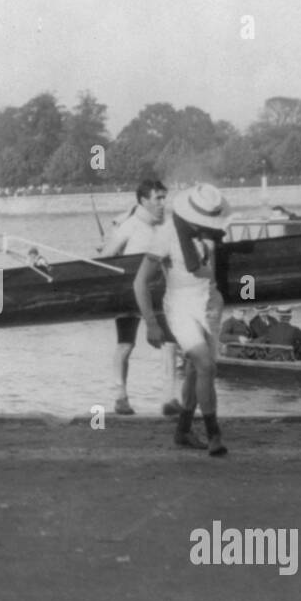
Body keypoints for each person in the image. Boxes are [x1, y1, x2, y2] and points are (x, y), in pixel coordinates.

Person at [134, 182, 231, 456]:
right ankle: (214, 434)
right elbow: (140, 283)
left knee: (195, 370)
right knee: (205, 365)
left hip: (210, 304)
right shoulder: (165, 235)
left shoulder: (211, 231)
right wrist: (151, 323)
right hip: (180, 306)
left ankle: (183, 430)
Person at [100, 179, 178, 415]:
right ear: (144, 201)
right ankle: (120, 397)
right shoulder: (130, 226)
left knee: (170, 343)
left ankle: (168, 399)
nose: (163, 203)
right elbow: (106, 258)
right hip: (128, 294)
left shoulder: (165, 226)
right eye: (158, 198)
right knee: (126, 345)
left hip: (158, 295)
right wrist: (105, 248)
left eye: (165, 198)